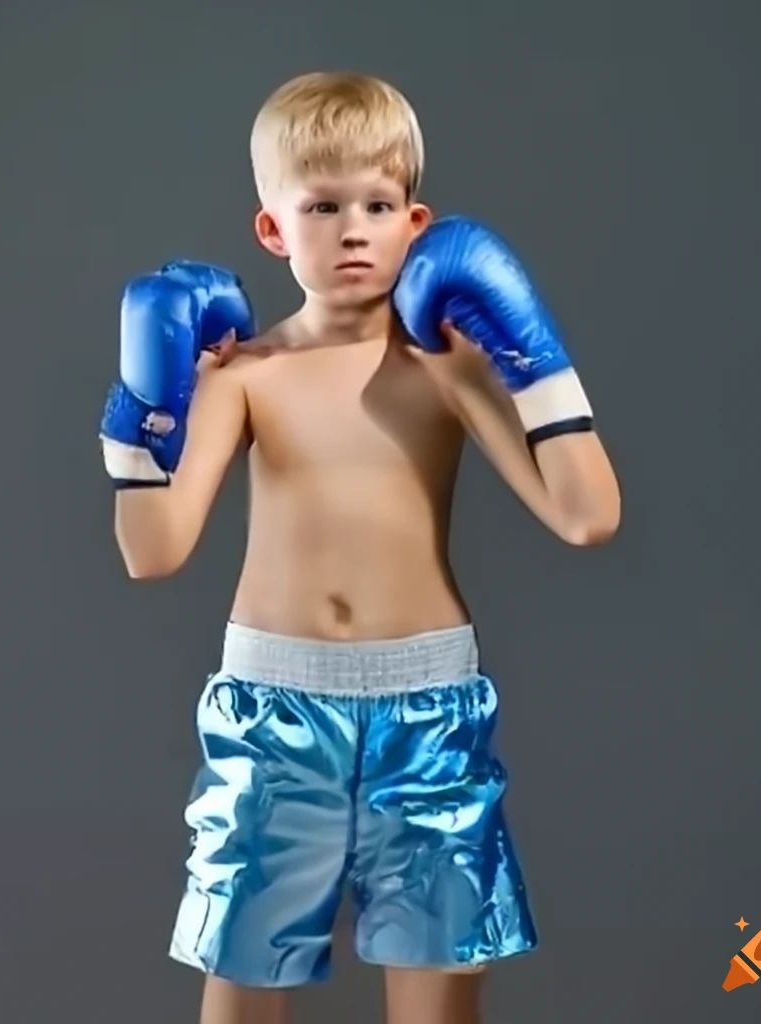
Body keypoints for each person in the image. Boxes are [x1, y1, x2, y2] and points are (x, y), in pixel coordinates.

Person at [100, 72, 621, 1024]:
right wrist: (140, 416)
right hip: (274, 711)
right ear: (272, 229)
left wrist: (537, 358)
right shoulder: (244, 375)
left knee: (437, 1007)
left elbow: (588, 517)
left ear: (415, 222)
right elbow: (154, 551)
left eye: (379, 205)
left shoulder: (450, 365)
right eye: (324, 205)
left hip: (428, 711)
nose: (353, 229)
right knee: (243, 997)